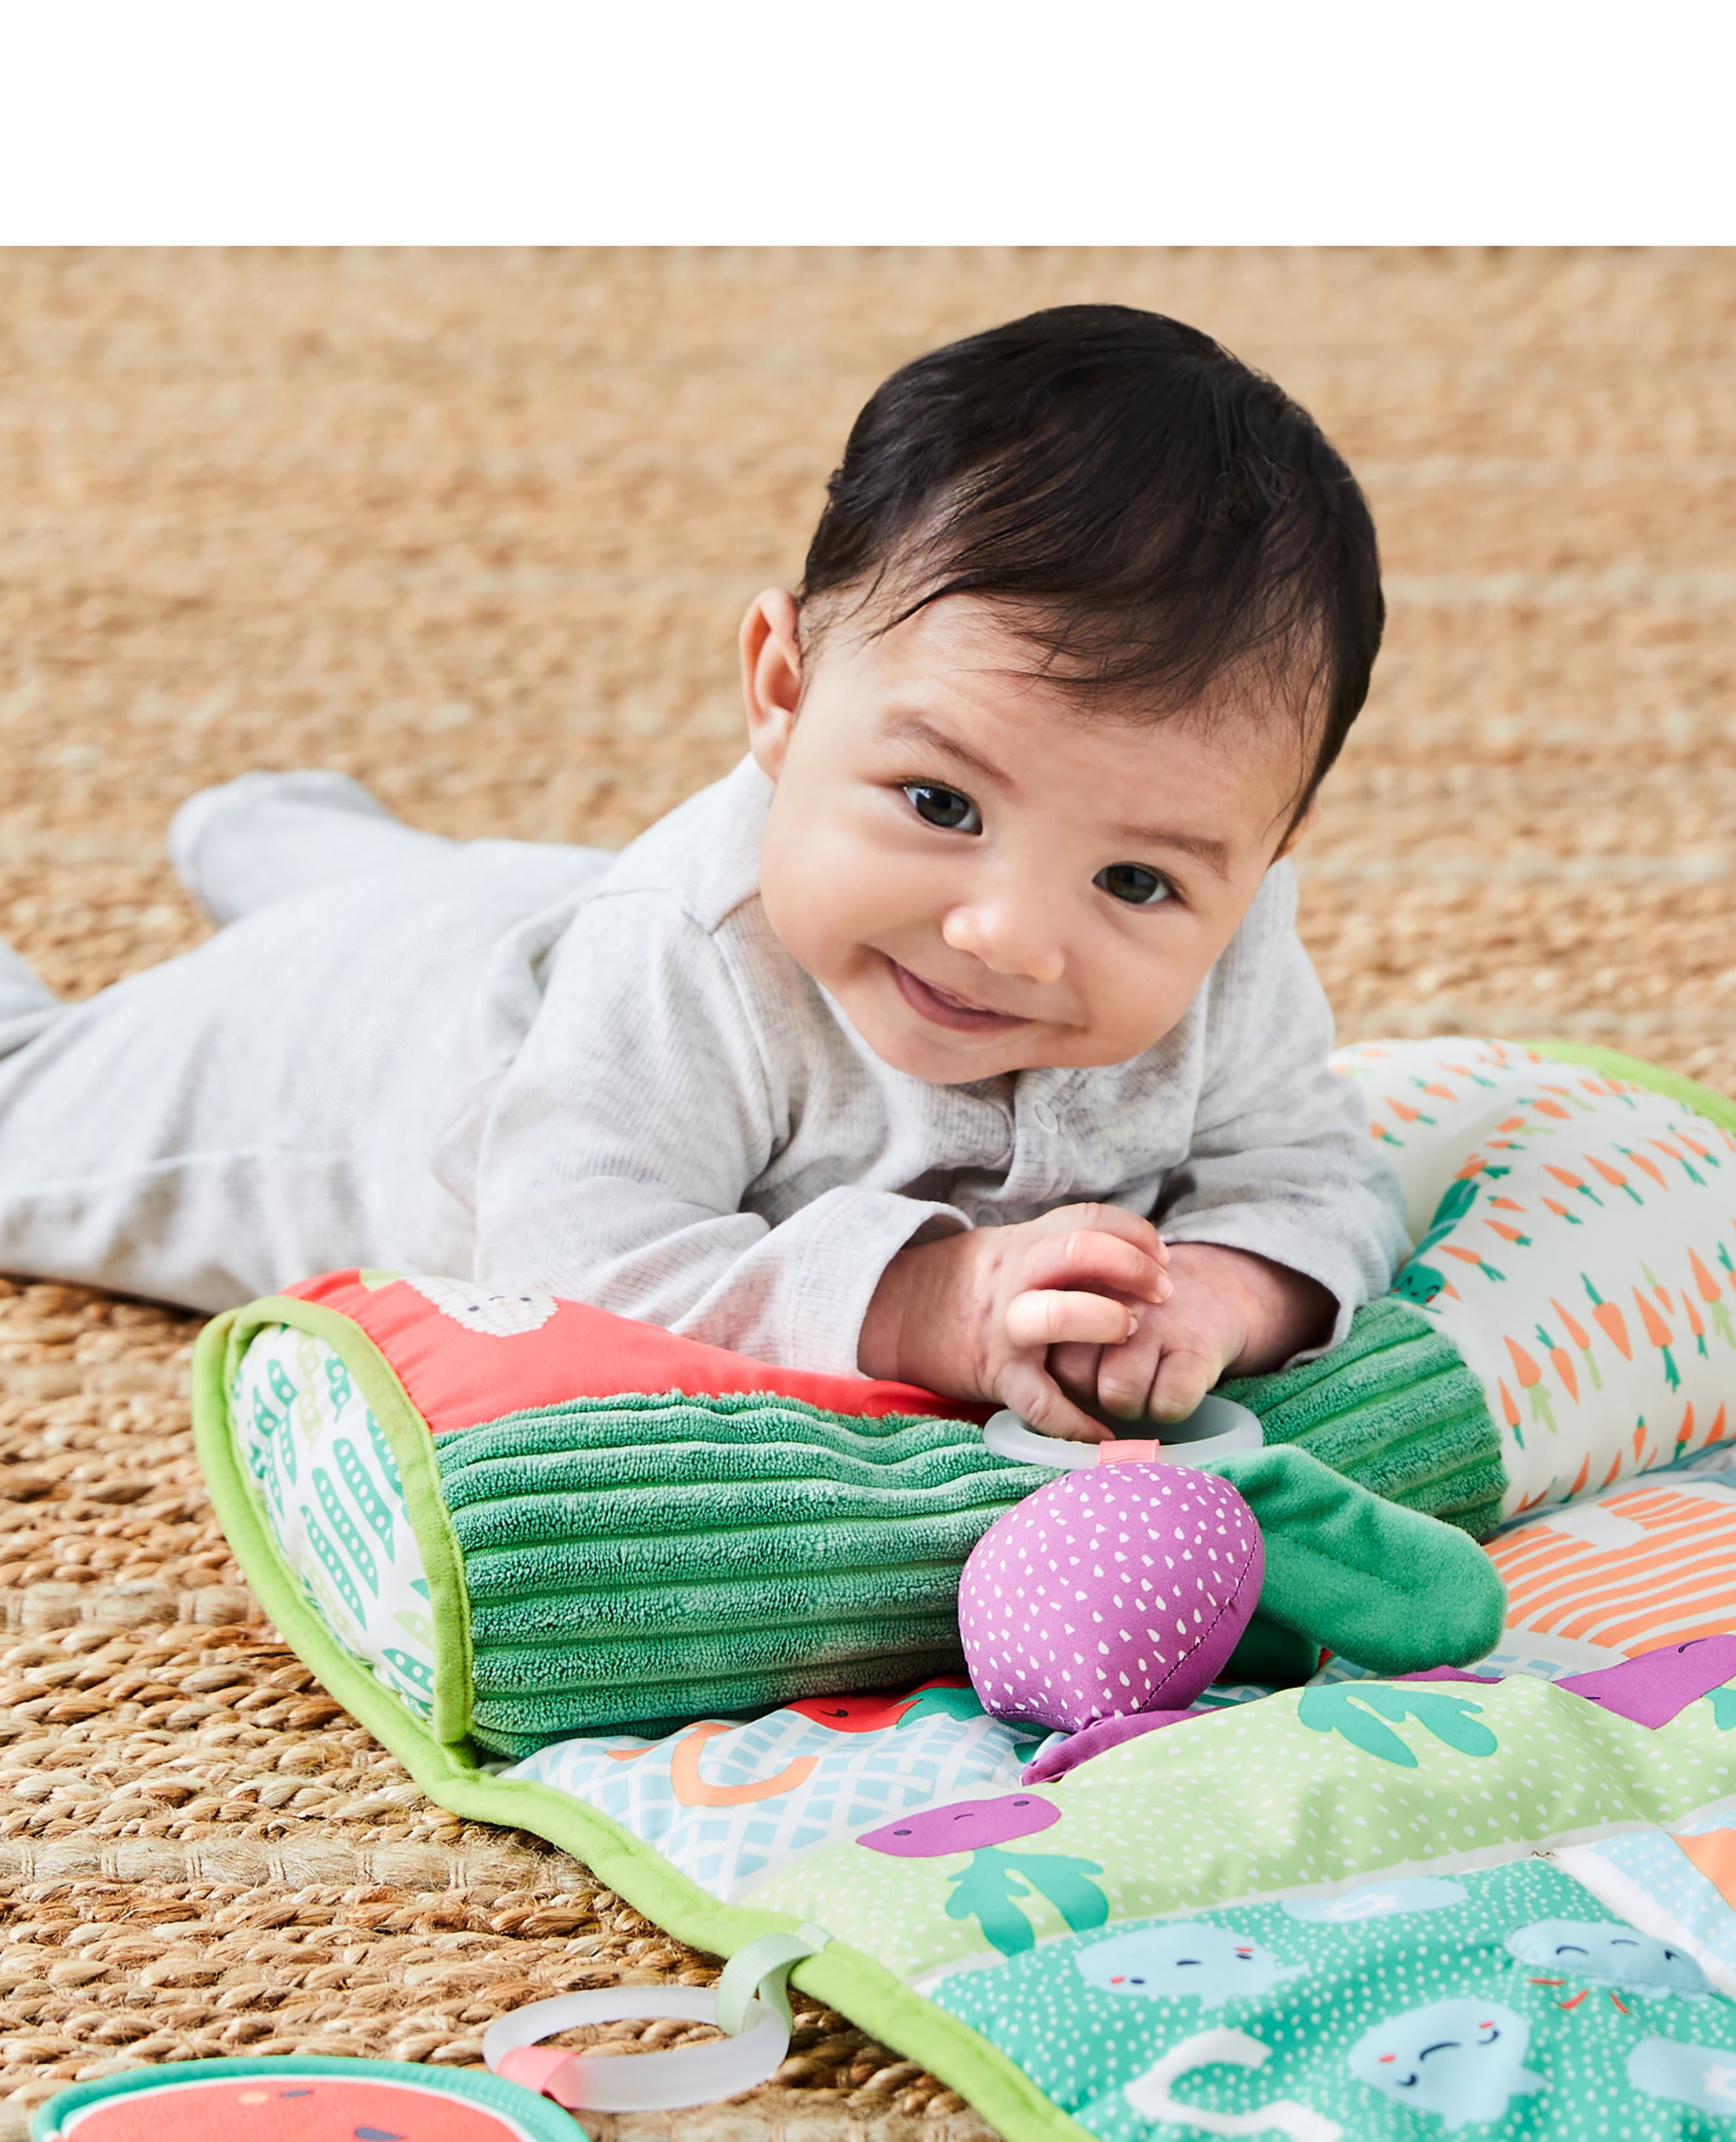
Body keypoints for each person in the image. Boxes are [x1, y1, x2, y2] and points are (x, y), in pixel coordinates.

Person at [0, 304, 1403, 1441]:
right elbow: (569, 1262)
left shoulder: (1234, 938)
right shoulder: (684, 952)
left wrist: (1225, 1295)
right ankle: (307, 880)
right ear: (782, 688)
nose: (1011, 934)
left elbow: (1313, 1165)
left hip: (539, 911)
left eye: (1137, 886)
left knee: (491, 900)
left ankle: (295, 840)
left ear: (1266, 853)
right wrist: (934, 1303)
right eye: (937, 800)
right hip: (362, 1065)